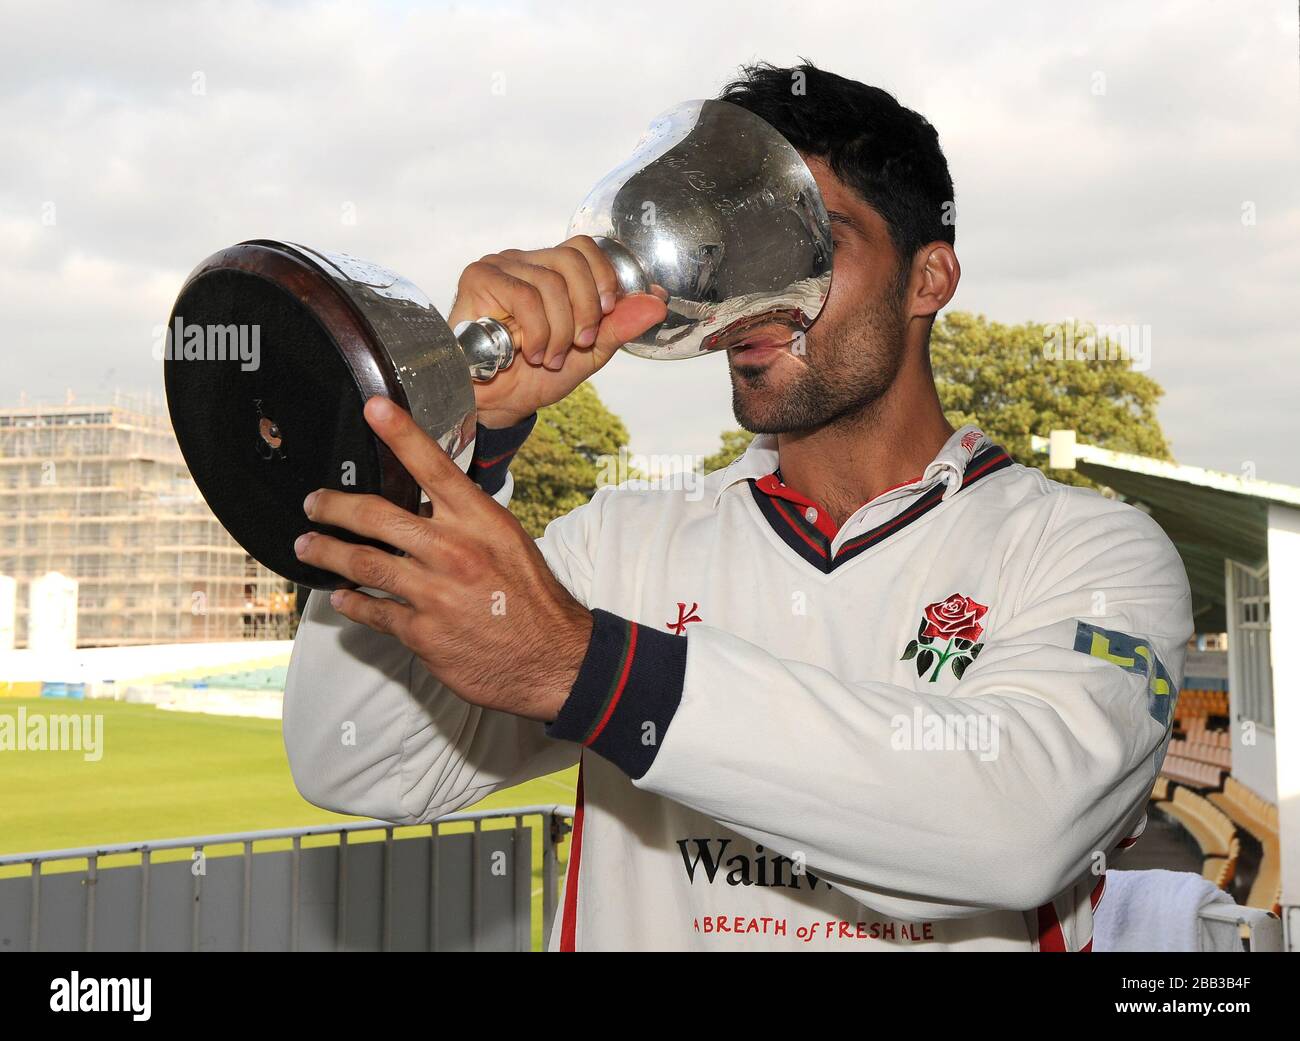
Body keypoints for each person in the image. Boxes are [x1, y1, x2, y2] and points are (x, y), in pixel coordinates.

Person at [282, 61, 1193, 951]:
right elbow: (360, 759)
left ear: (930, 279)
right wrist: (463, 432)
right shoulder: (623, 541)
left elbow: (1014, 828)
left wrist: (583, 667)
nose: (761, 291)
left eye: (817, 242)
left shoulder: (1093, 550)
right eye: (738, 250)